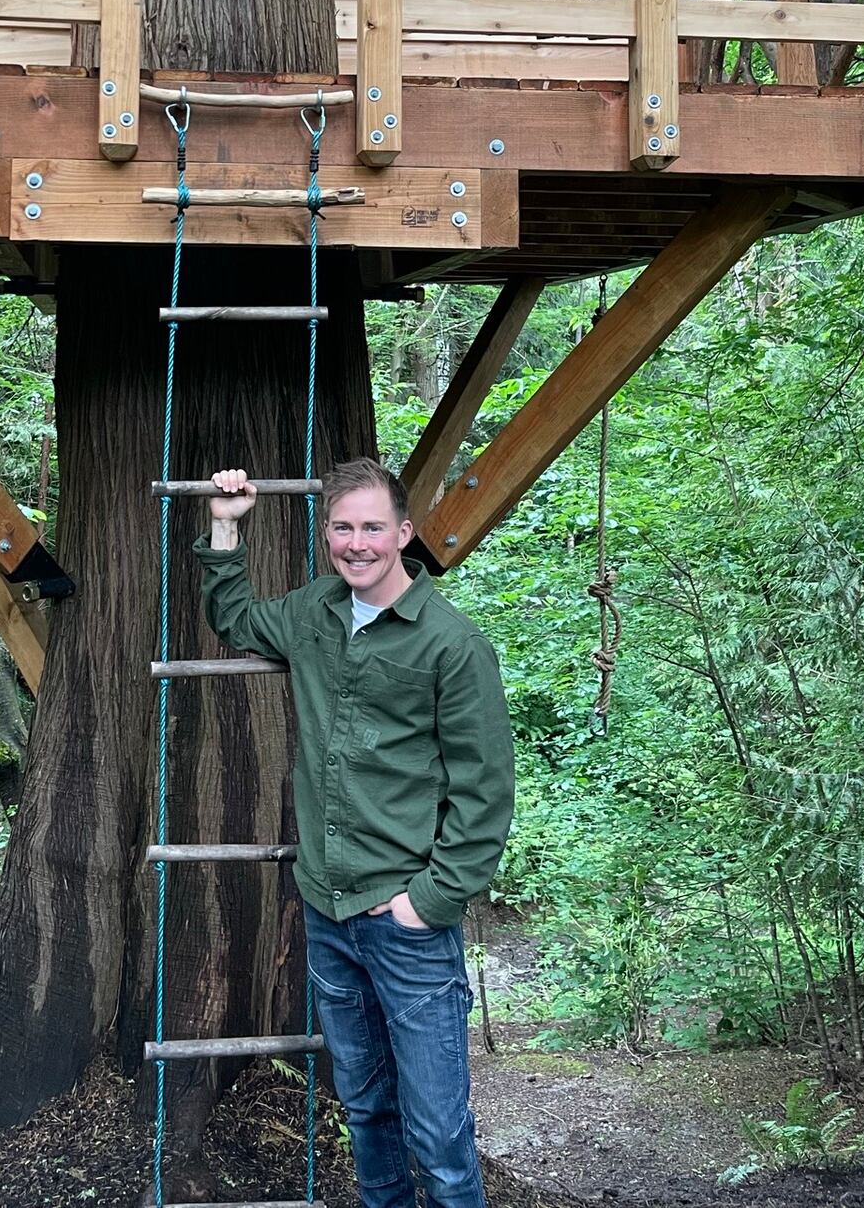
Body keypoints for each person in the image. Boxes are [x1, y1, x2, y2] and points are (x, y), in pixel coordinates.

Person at [195, 458, 514, 1208]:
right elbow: (237, 617)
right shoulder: (314, 613)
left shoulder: (452, 646)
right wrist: (224, 526)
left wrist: (427, 902)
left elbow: (485, 793)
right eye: (344, 527)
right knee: (366, 1111)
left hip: (406, 923)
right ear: (327, 534)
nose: (358, 543)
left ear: (404, 533)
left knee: (437, 1136)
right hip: (328, 912)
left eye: (374, 527)